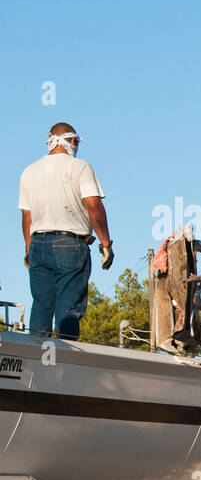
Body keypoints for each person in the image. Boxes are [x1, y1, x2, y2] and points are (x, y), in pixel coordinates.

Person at [18, 123, 114, 339]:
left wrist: (28, 249)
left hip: (38, 245)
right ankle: (64, 364)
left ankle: (37, 364)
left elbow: (27, 216)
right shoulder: (80, 167)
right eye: (77, 142)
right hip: (69, 245)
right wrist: (106, 244)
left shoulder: (29, 171)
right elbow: (93, 205)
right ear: (72, 141)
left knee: (41, 307)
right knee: (68, 311)